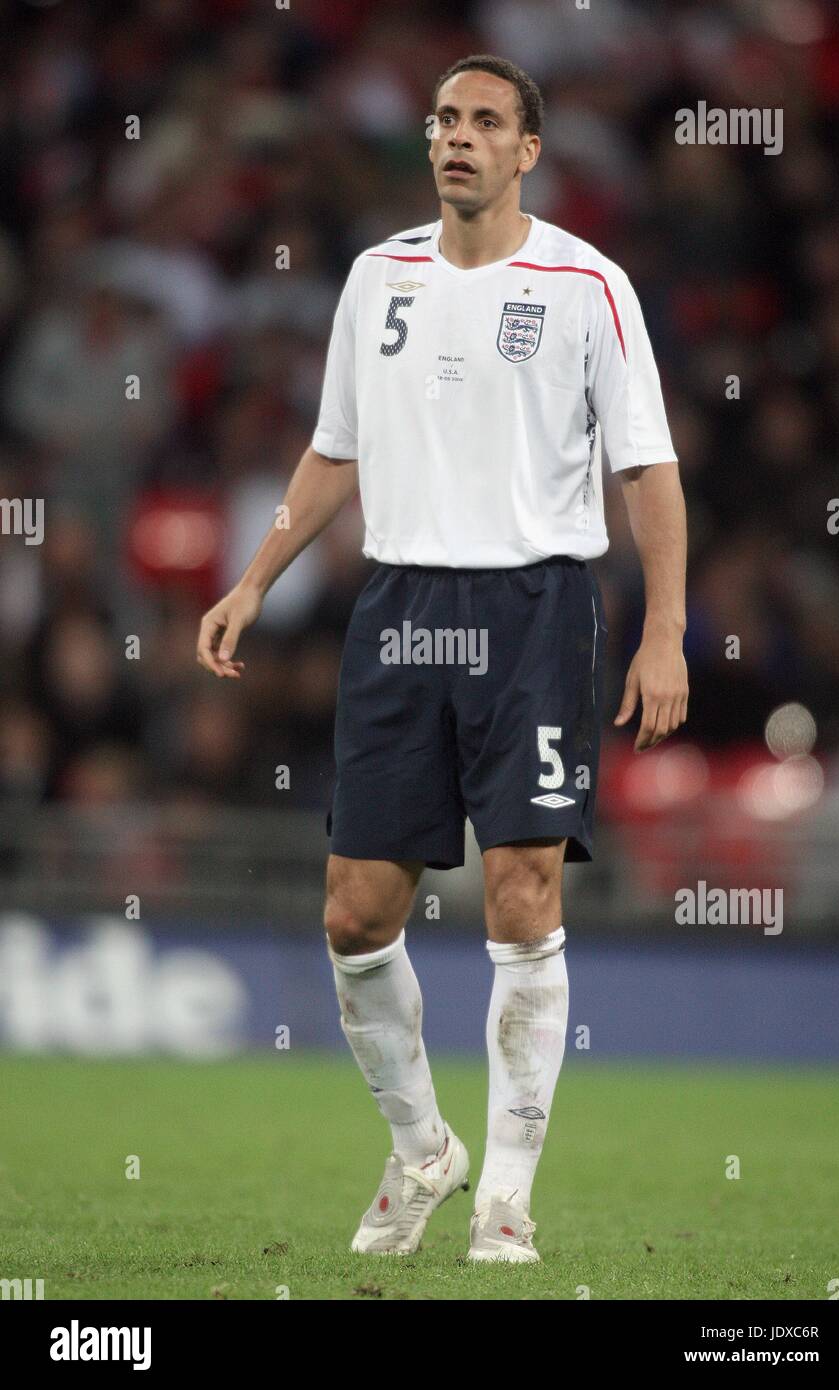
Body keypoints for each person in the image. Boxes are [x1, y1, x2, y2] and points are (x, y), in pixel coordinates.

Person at [196, 54, 688, 1264]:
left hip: (535, 606)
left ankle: (506, 1199)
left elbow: (646, 470)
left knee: (522, 887)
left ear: (528, 149)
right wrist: (256, 578)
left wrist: (667, 627)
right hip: (400, 606)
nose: (455, 137)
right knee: (354, 914)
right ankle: (423, 1151)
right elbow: (332, 450)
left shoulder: (587, 284)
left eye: (483, 122)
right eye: (443, 120)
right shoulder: (377, 279)